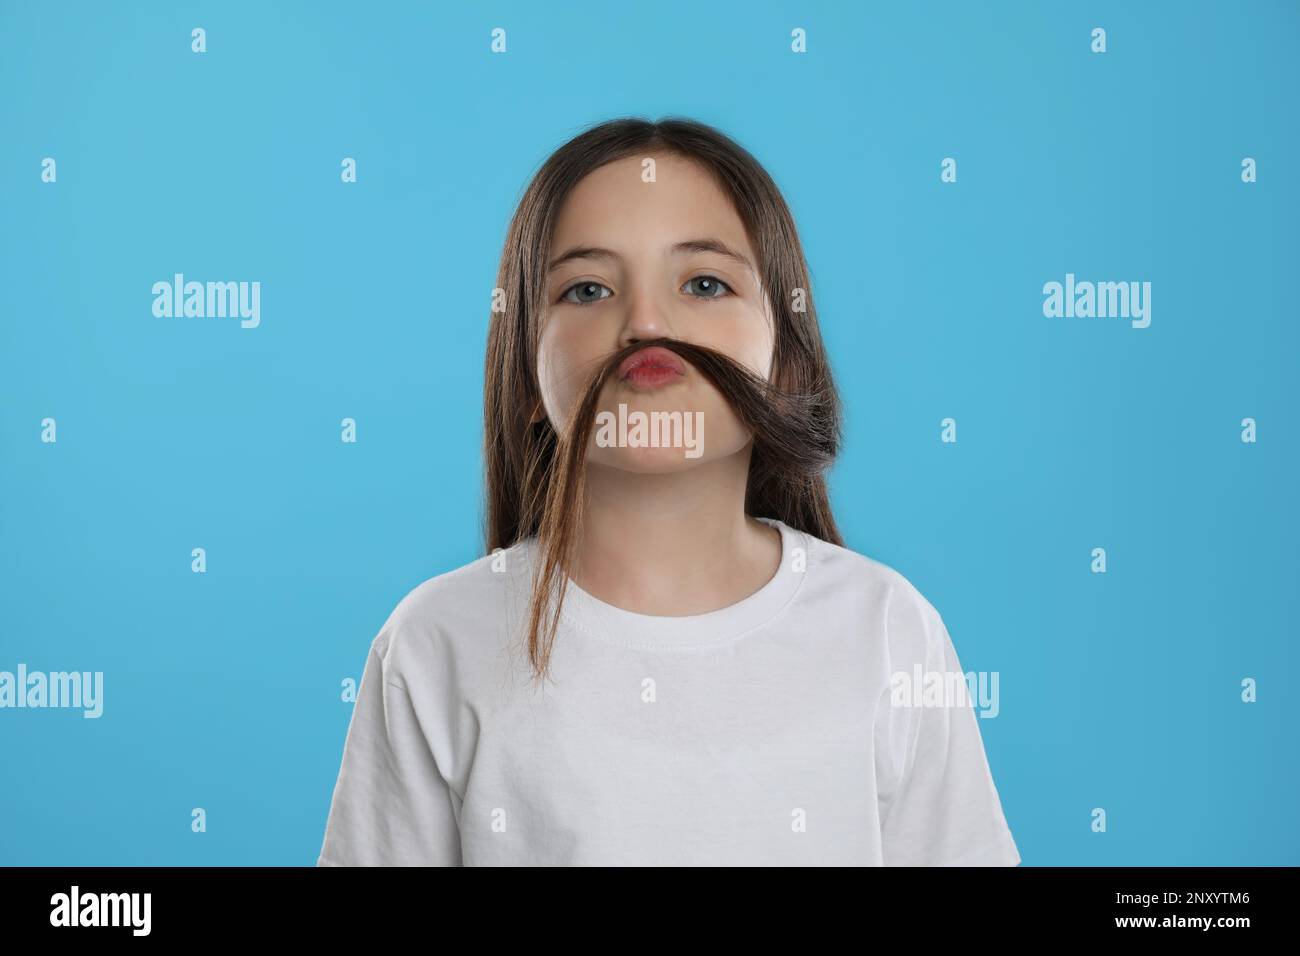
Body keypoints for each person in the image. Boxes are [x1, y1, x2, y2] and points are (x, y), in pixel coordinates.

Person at [317, 117, 1020, 866]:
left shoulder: (888, 633)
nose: (647, 323)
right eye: (587, 288)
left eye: (705, 284)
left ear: (786, 359)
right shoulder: (435, 643)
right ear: (524, 375)